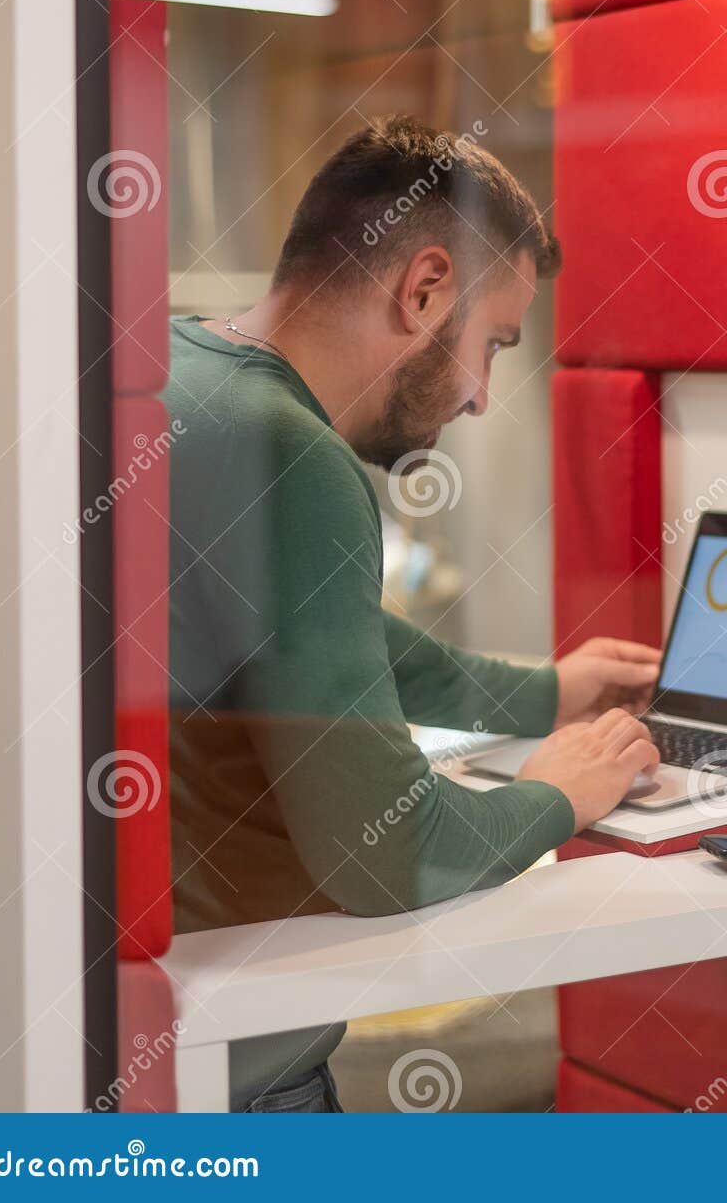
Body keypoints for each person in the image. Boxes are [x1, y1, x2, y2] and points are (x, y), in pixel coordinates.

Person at [163, 116, 661, 1113]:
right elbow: (390, 852)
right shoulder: (293, 455)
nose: (481, 398)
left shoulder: (187, 369)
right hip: (240, 1086)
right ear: (425, 289)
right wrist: (558, 791)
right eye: (495, 343)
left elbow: (314, 633)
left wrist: (544, 692)